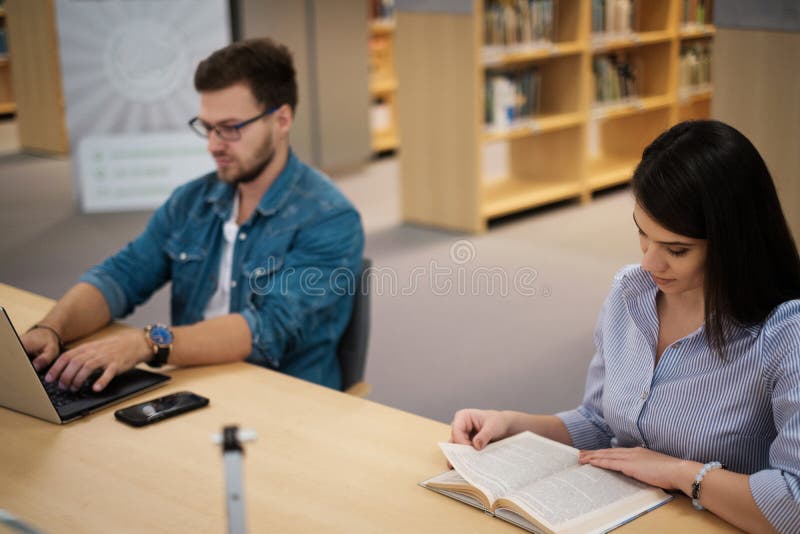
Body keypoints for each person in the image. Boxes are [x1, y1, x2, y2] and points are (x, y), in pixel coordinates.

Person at [450, 120, 800, 533]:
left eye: (676, 250)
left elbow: (792, 502)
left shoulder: (784, 333)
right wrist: (511, 423)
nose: (650, 263)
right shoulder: (630, 293)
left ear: (732, 244)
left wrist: (677, 472)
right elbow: (600, 424)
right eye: (642, 234)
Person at [22, 38, 364, 392]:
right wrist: (52, 328)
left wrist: (149, 343)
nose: (213, 145)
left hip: (285, 402)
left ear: (281, 119)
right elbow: (121, 276)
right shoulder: (192, 201)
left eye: (230, 128)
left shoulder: (330, 218)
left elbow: (268, 329)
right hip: (193, 383)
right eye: (208, 127)